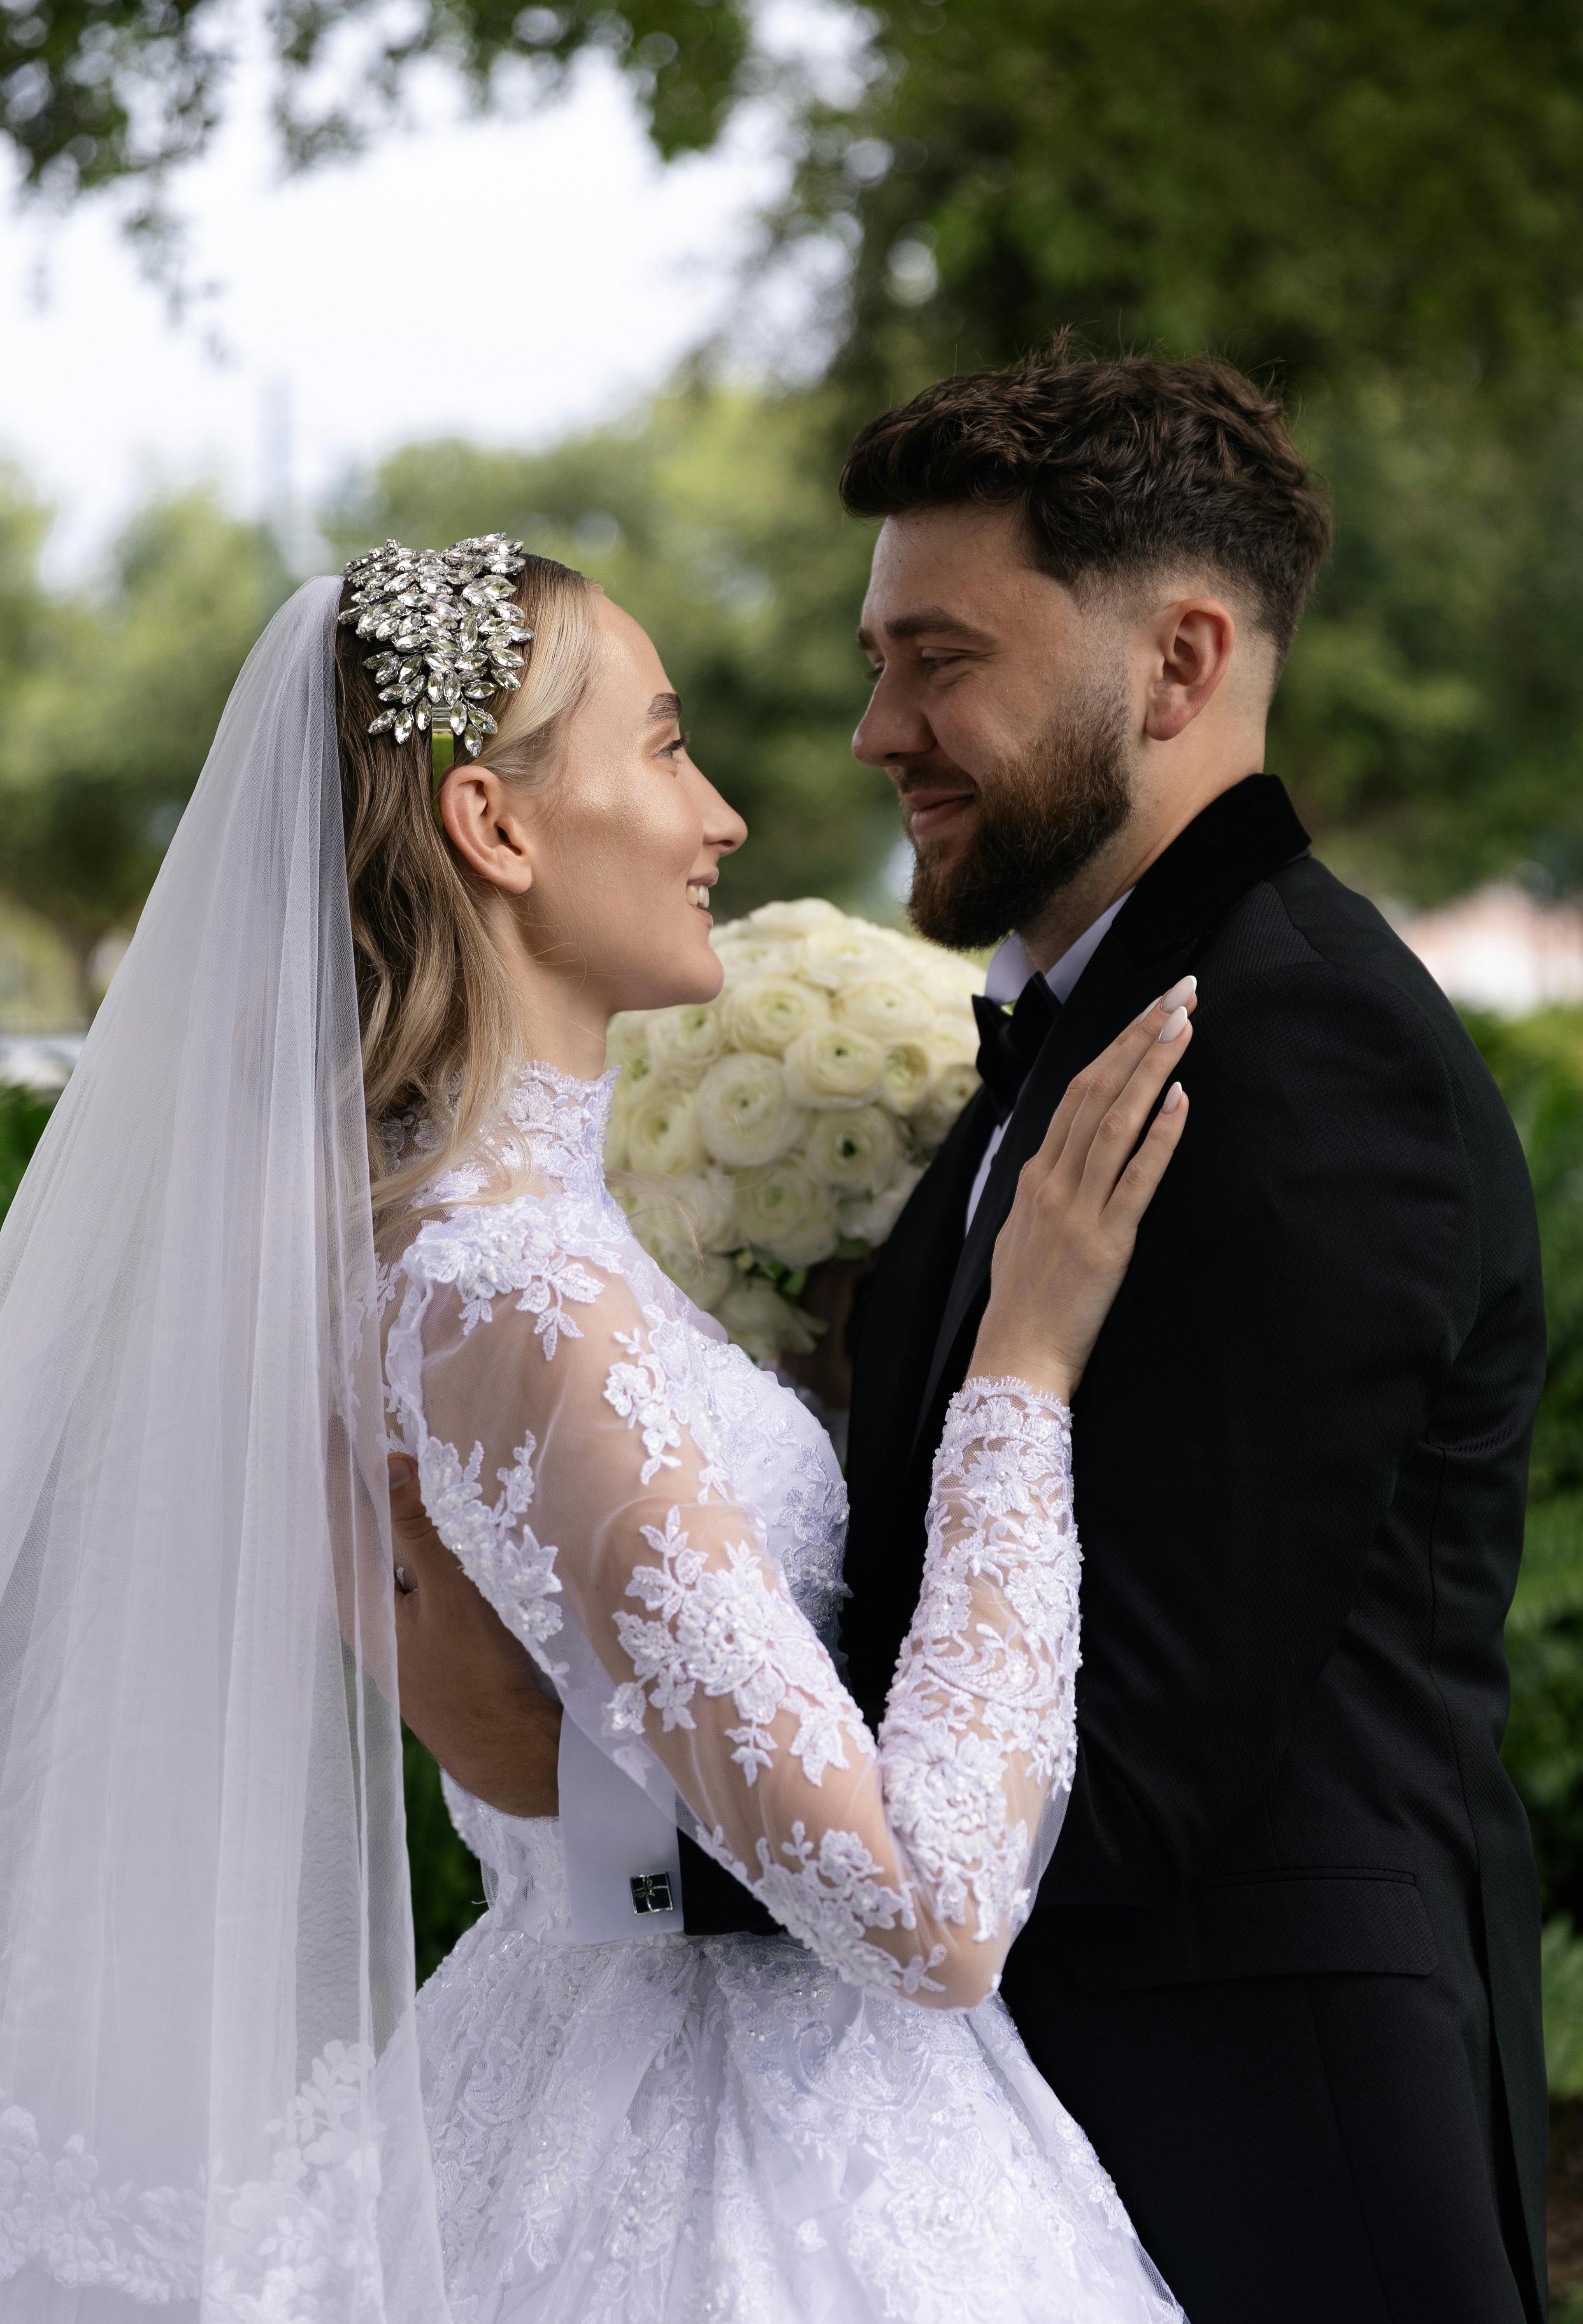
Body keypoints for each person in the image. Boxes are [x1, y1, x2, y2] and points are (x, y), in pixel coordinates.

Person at [405, 345, 1550, 2324]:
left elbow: (1118, 1774)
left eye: (937, 659)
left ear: (1177, 666)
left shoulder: (1290, 1055)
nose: (870, 733)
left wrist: (603, 1834)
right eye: (875, 659)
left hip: (1257, 2144)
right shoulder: (1062, 1036)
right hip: (995, 2130)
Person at [0, 526, 1192, 2320]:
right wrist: (1017, 1369)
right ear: (493, 823)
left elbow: (548, 1728)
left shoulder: (449, 1252)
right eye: (661, 742)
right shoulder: (513, 1297)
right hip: (728, 2144)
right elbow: (926, 1913)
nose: (717, 816)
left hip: (599, 2048)